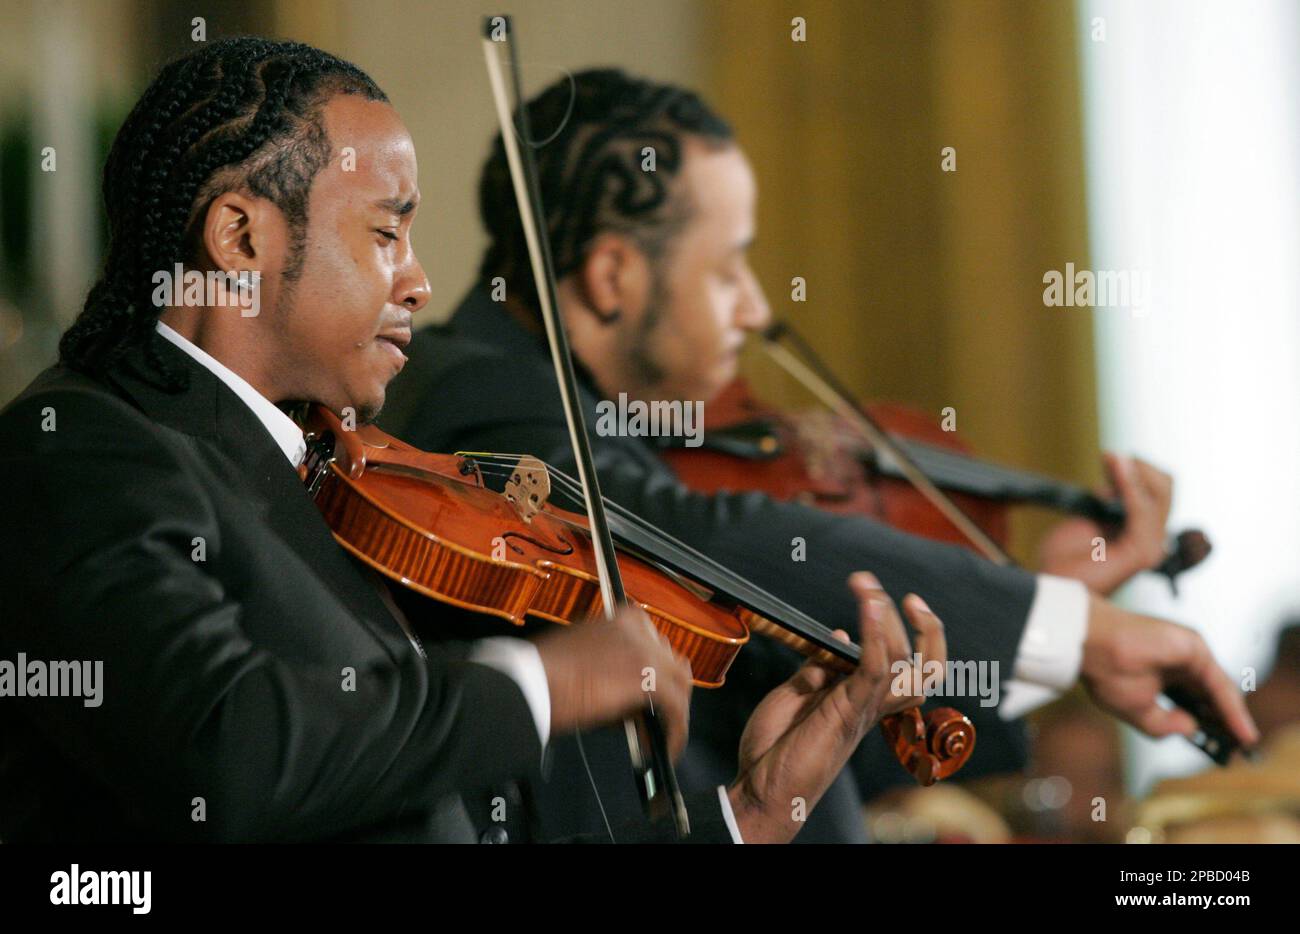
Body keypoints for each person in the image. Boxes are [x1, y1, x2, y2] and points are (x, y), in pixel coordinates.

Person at [0, 38, 943, 844]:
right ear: (240, 239)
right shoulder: (80, 448)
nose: (417, 282)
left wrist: (751, 812)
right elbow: (229, 748)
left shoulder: (324, 470)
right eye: (385, 233)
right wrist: (540, 684)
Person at [380, 68, 1258, 841]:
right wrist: (1071, 626)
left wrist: (1054, 603)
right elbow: (701, 535)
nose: (757, 308)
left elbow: (807, 749)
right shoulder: (482, 396)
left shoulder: (593, 421)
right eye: (729, 269)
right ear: (614, 276)